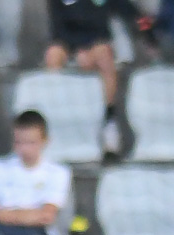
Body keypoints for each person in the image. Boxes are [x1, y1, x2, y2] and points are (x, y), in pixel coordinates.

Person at [44, 0, 144, 152]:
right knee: (52, 54)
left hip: (96, 44)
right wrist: (78, 50)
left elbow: (131, 13)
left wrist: (149, 30)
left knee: (104, 54)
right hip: (69, 46)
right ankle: (53, 118)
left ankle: (109, 120)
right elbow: (57, 28)